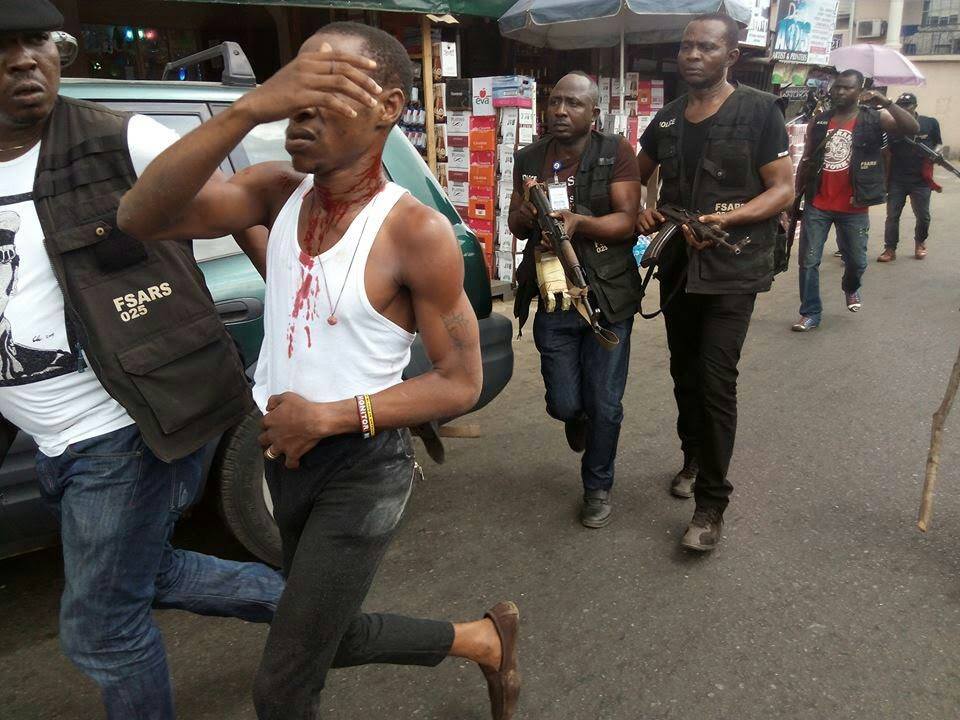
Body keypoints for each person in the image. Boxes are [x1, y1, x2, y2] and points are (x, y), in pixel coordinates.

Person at [118, 22, 520, 720]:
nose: (300, 108)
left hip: (363, 468)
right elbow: (142, 216)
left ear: (390, 106)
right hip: (286, 459)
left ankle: (484, 642)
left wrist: (332, 416)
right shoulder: (277, 192)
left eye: (325, 88)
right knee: (320, 635)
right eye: (293, 91)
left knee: (282, 686)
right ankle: (483, 641)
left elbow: (460, 382)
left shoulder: (413, 232)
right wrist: (247, 108)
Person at [0, 4, 285, 719]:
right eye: (1, 46)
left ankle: (315, 611)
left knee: (101, 629)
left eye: (36, 41)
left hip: (122, 428)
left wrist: (294, 329)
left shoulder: (116, 137)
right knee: (143, 574)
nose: (23, 59)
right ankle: (312, 606)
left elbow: (237, 209)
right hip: (48, 436)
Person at [636, 13, 794, 552]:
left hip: (733, 268)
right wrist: (640, 207)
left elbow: (781, 191)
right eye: (686, 47)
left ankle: (711, 503)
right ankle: (692, 456)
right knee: (683, 373)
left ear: (731, 56)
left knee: (715, 378)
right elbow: (636, 171)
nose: (692, 56)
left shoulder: (758, 110)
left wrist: (729, 218)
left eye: (706, 47)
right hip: (679, 266)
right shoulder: (668, 118)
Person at [508, 71, 642, 529]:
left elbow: (626, 221)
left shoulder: (616, 153)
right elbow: (513, 221)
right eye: (556, 101)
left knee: (606, 402)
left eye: (574, 104)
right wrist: (525, 217)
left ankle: (597, 486)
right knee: (566, 401)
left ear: (593, 113)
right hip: (552, 295)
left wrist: (580, 223)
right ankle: (574, 415)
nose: (561, 111)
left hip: (608, 294)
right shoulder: (529, 156)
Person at [791, 69, 919, 331]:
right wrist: (795, 196)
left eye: (847, 88)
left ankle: (851, 287)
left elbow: (911, 128)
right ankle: (810, 312)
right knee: (809, 261)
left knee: (857, 262)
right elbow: (807, 161)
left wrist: (887, 102)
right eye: (837, 87)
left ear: (860, 91)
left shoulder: (874, 118)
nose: (839, 92)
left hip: (854, 205)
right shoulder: (821, 121)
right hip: (818, 203)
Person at [877, 92, 943, 262]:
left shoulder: (929, 123)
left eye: (909, 106)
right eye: (902, 106)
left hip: (921, 179)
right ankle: (890, 249)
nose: (905, 109)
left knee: (923, 215)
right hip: (897, 179)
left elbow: (938, 145)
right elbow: (885, 152)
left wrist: (936, 154)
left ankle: (920, 242)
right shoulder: (891, 126)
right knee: (892, 216)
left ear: (915, 106)